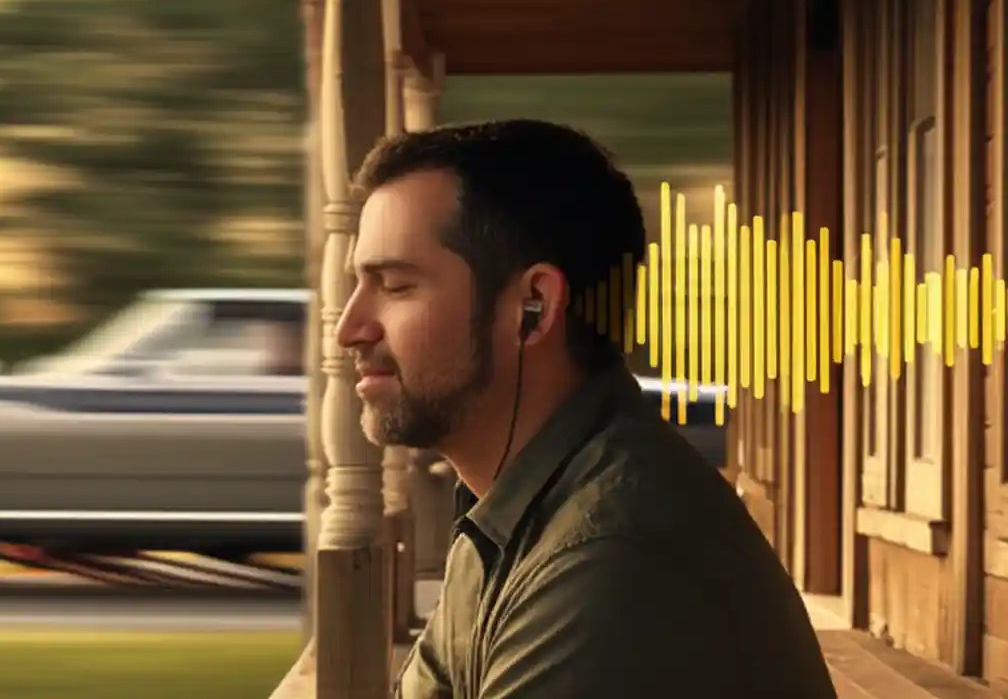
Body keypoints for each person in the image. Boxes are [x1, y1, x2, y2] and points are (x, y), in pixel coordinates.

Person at [328, 119, 837, 698]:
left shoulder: (613, 558)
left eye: (395, 286)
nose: (350, 329)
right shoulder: (513, 505)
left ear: (535, 308)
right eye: (357, 285)